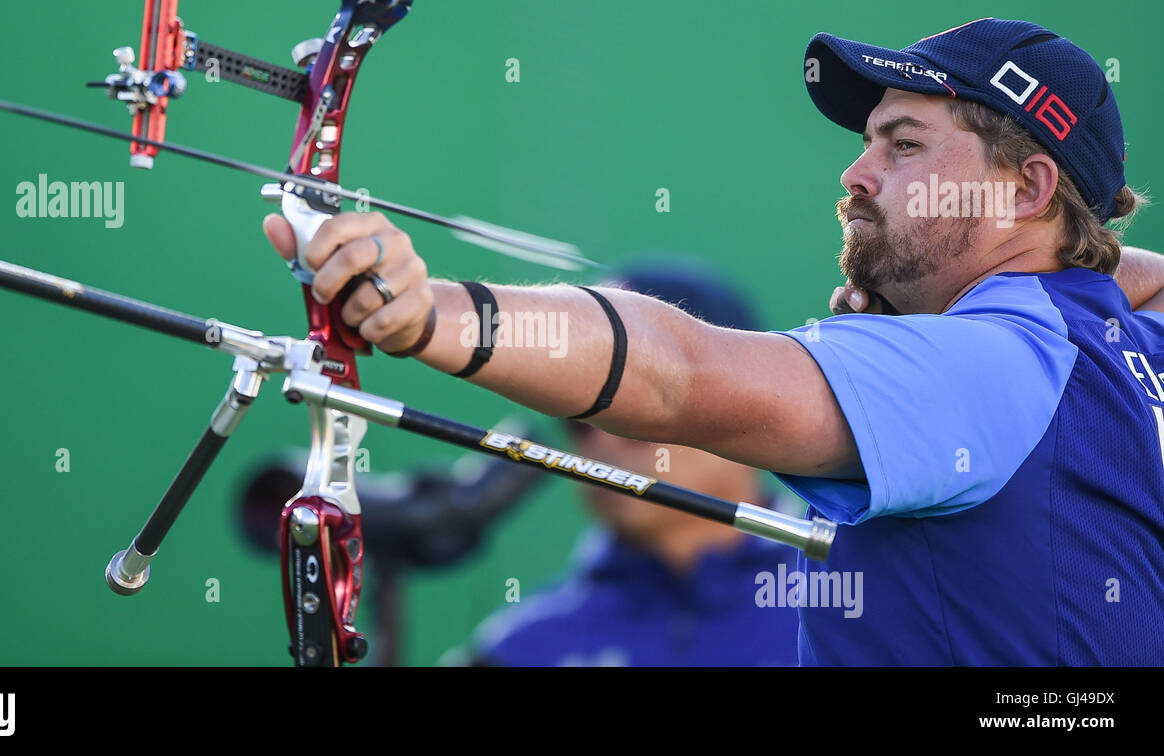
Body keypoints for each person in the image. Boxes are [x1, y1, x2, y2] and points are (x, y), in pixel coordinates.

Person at [262, 18, 1164, 664]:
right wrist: (1080, 280)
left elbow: (681, 375)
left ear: (1026, 187)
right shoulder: (1126, 349)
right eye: (866, 142)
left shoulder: (986, 362)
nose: (856, 174)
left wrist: (436, 315)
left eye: (903, 145)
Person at [459, 266, 801, 666]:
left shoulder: (857, 605)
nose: (603, 437)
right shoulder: (514, 651)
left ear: (745, 401)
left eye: (635, 405)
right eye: (576, 412)